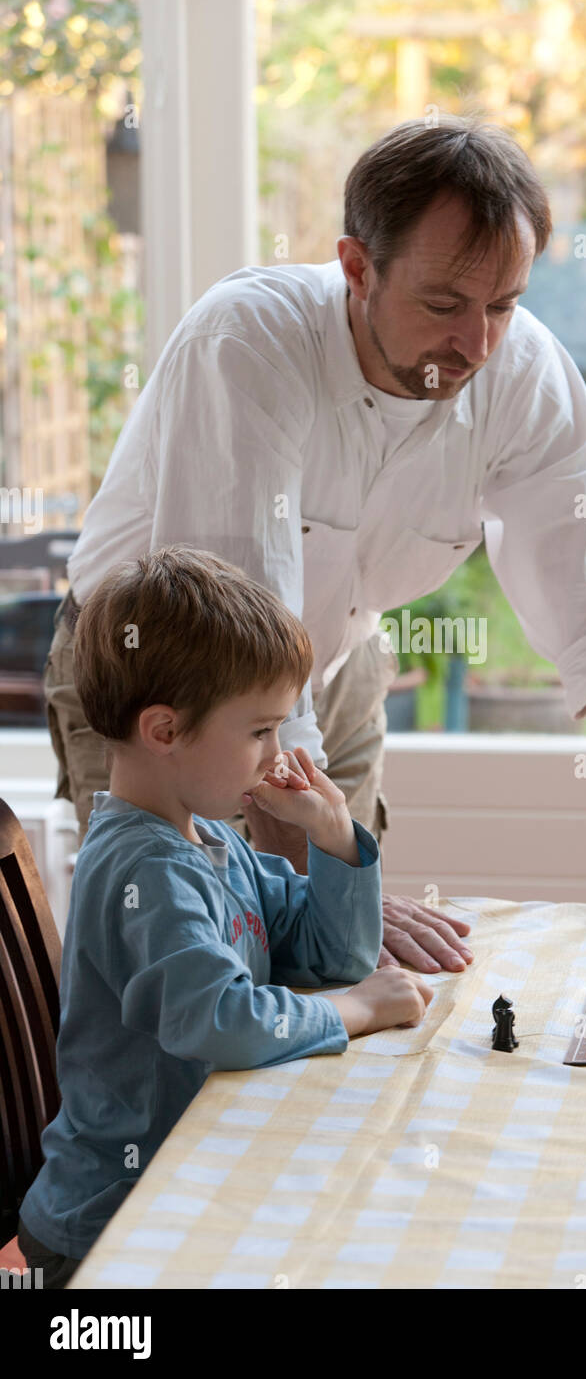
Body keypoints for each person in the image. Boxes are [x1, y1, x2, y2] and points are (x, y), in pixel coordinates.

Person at [46, 112, 586, 957]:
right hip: (157, 679)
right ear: (357, 267)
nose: (477, 343)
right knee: (207, 957)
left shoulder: (525, 375)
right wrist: (328, 899)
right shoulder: (249, 343)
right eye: (444, 304)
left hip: (336, 658)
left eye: (504, 305)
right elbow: (229, 658)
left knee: (338, 956)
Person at [17, 546, 432, 1288]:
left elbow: (330, 956)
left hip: (188, 1180)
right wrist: (356, 1011)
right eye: (259, 731)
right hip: (113, 1226)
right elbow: (221, 1019)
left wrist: (333, 841)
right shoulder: (146, 870)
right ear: (166, 731)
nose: (278, 756)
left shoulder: (209, 842)